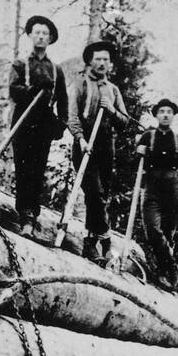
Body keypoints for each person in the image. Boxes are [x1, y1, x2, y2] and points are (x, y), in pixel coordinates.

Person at [69, 40, 130, 264]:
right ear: (90, 61)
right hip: (85, 145)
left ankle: (90, 242)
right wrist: (81, 139)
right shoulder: (80, 84)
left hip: (106, 147)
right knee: (93, 192)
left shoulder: (113, 90)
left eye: (106, 59)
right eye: (98, 59)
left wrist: (112, 109)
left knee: (101, 196)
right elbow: (72, 115)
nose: (102, 63)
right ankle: (104, 237)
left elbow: (124, 122)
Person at [8, 15, 69, 239]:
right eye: (37, 32)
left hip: (44, 121)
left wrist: (61, 123)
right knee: (23, 168)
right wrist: (34, 89)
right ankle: (24, 217)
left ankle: (32, 215)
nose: (41, 36)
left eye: (45, 33)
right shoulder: (20, 64)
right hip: (23, 119)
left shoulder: (56, 69)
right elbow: (14, 91)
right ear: (30, 35)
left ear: (50, 38)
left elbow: (63, 99)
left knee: (38, 169)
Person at [135, 98, 178, 291]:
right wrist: (138, 152)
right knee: (152, 230)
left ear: (173, 116)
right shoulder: (147, 136)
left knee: (168, 234)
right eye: (162, 111)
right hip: (151, 186)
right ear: (156, 115)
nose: (165, 115)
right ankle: (172, 269)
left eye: (169, 111)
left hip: (172, 187)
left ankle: (163, 275)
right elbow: (133, 165)